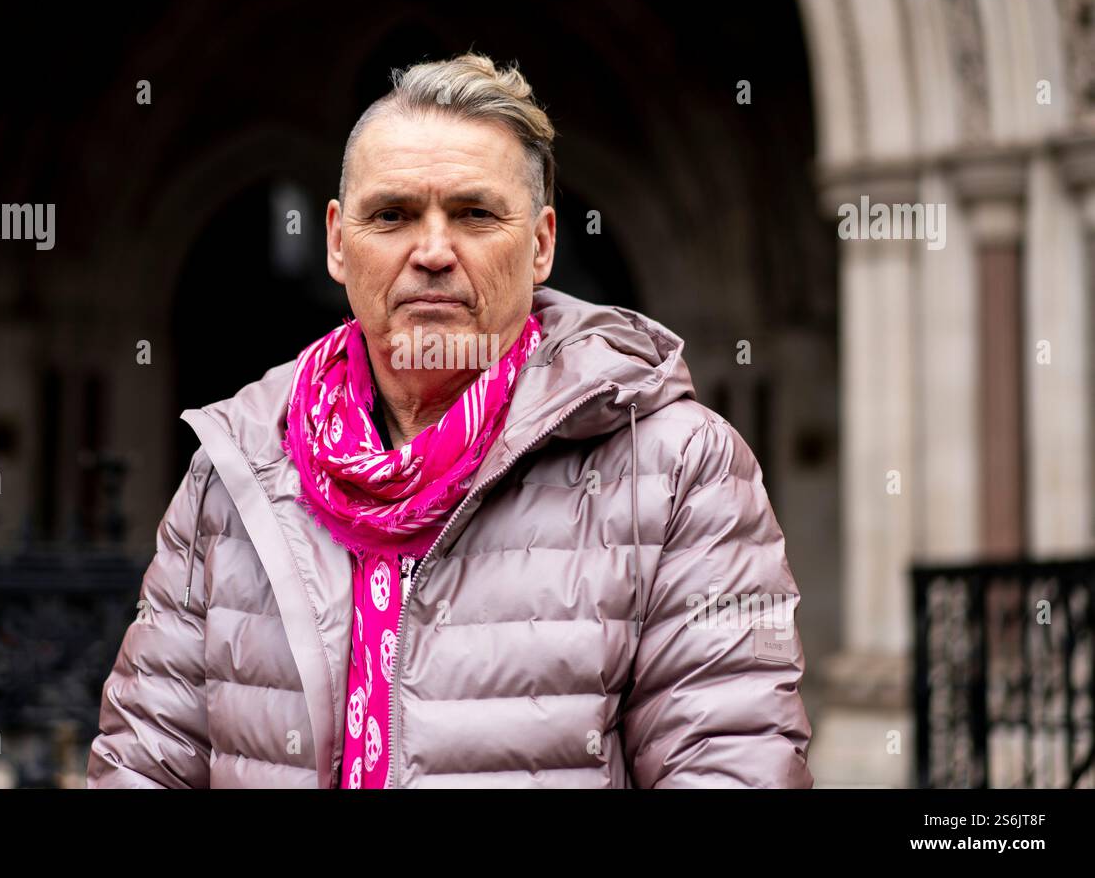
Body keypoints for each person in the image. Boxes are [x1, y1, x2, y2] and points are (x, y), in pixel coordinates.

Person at [87, 52, 813, 788]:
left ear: (540, 244)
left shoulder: (677, 468)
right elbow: (145, 763)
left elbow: (731, 765)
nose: (432, 252)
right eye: (393, 215)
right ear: (337, 241)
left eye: (474, 214)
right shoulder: (233, 467)